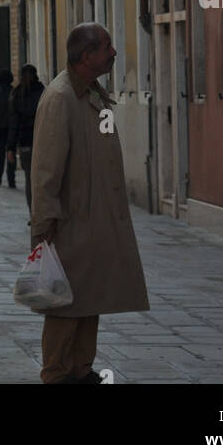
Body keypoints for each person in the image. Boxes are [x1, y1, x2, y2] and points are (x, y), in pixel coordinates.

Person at [31, 23, 148, 384]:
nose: (113, 53)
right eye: (107, 47)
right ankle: (56, 374)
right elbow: (46, 171)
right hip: (68, 225)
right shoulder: (60, 98)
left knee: (89, 300)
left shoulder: (92, 93)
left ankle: (80, 370)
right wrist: (43, 227)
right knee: (64, 305)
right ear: (87, 56)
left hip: (93, 222)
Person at [7, 64, 45, 217]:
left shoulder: (16, 95)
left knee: (30, 180)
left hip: (25, 143)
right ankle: (42, 213)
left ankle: (33, 213)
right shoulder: (43, 93)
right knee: (42, 180)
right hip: (42, 142)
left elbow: (14, 124)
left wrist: (10, 147)